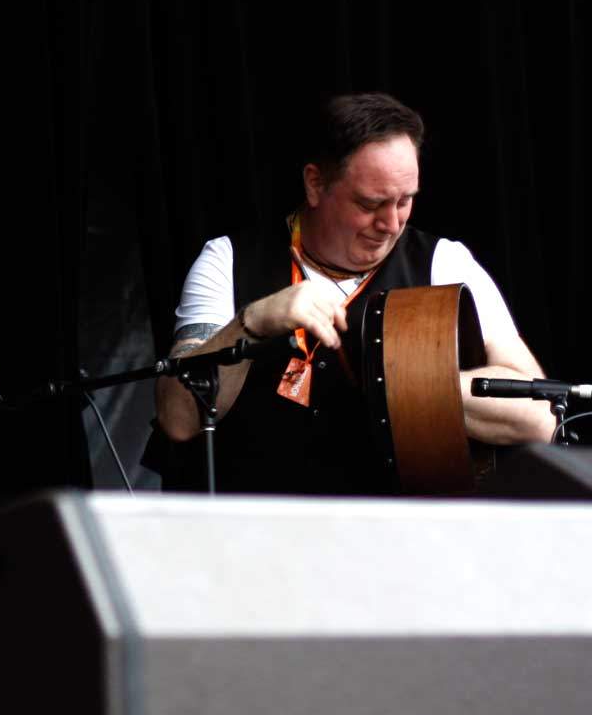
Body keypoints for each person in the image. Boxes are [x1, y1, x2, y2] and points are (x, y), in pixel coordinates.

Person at [152, 92, 554, 493]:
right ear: (315, 184)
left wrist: (406, 381)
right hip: (255, 534)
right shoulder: (228, 260)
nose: (392, 223)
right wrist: (252, 323)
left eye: (405, 200)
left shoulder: (445, 263)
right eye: (370, 203)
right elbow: (178, 417)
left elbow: (539, 418)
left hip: (393, 536)